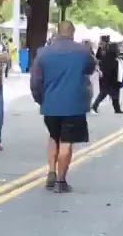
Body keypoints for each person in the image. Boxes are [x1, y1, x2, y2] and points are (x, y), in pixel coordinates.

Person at [31, 21, 94, 194]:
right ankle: (61, 181)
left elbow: (36, 81)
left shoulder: (43, 53)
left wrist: (40, 99)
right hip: (74, 105)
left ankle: (51, 171)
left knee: (53, 136)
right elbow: (90, 69)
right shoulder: (83, 51)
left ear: (58, 32)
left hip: (50, 105)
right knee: (66, 142)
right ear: (72, 32)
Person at [92, 41, 123, 114]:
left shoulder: (106, 55)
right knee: (114, 94)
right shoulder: (114, 57)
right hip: (113, 78)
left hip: (106, 78)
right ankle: (116, 109)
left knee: (104, 93)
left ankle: (95, 106)